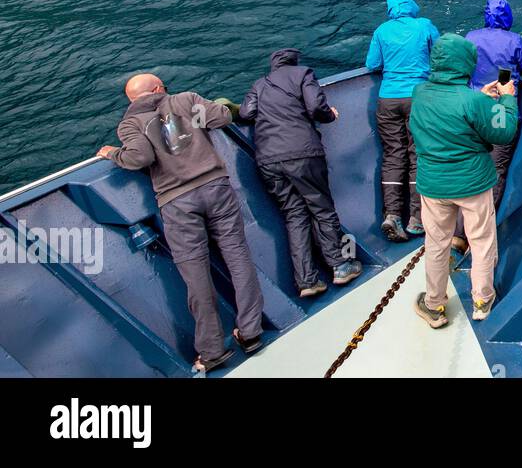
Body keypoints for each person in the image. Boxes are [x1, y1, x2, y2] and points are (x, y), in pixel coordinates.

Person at [96, 73, 264, 373]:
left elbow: (140, 157)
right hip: (216, 187)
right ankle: (251, 333)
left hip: (177, 202)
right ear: (159, 89)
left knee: (195, 272)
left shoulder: (130, 124)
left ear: (133, 99)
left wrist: (113, 154)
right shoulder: (185, 99)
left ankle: (213, 351)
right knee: (238, 256)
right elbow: (221, 116)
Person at [408, 34, 518, 328]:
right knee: (482, 242)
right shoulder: (472, 101)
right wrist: (505, 99)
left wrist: (481, 97)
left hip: (433, 186)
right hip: (473, 185)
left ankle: (434, 305)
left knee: (436, 244)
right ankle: (482, 301)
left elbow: (451, 110)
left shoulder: (419, 93)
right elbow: (503, 132)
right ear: (466, 64)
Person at [239, 49, 363, 298]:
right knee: (322, 208)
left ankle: (307, 280)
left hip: (267, 160)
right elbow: (316, 106)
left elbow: (245, 113)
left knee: (294, 215)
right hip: (302, 153)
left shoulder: (259, 84)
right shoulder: (302, 74)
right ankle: (340, 265)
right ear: (294, 62)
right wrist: (330, 115)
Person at [453, 0, 522, 252]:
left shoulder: (470, 36)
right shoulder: (514, 41)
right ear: (508, 17)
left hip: (475, 108)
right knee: (495, 173)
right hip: (501, 110)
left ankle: (456, 232)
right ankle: (476, 235)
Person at [365, 0, 440, 242]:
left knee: (393, 155)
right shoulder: (424, 26)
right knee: (417, 153)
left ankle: (393, 214)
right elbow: (441, 57)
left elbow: (372, 64)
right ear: (412, 6)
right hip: (418, 98)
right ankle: (417, 218)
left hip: (387, 99)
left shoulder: (381, 31)